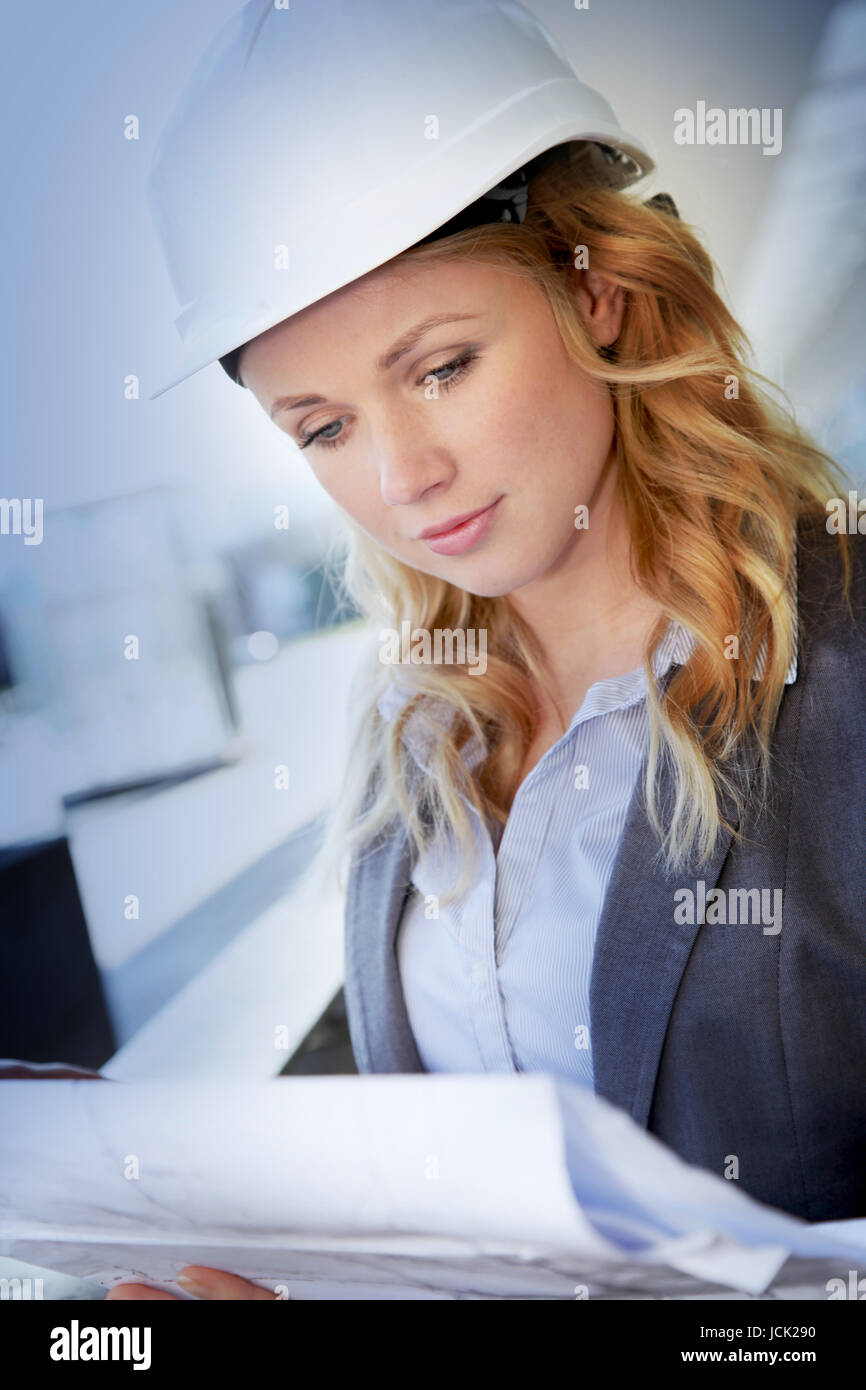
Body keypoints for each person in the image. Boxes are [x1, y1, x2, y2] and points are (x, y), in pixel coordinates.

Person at [8, 0, 866, 1300]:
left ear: (599, 290)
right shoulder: (413, 721)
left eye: (442, 366)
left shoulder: (841, 658)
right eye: (323, 426)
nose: (403, 476)